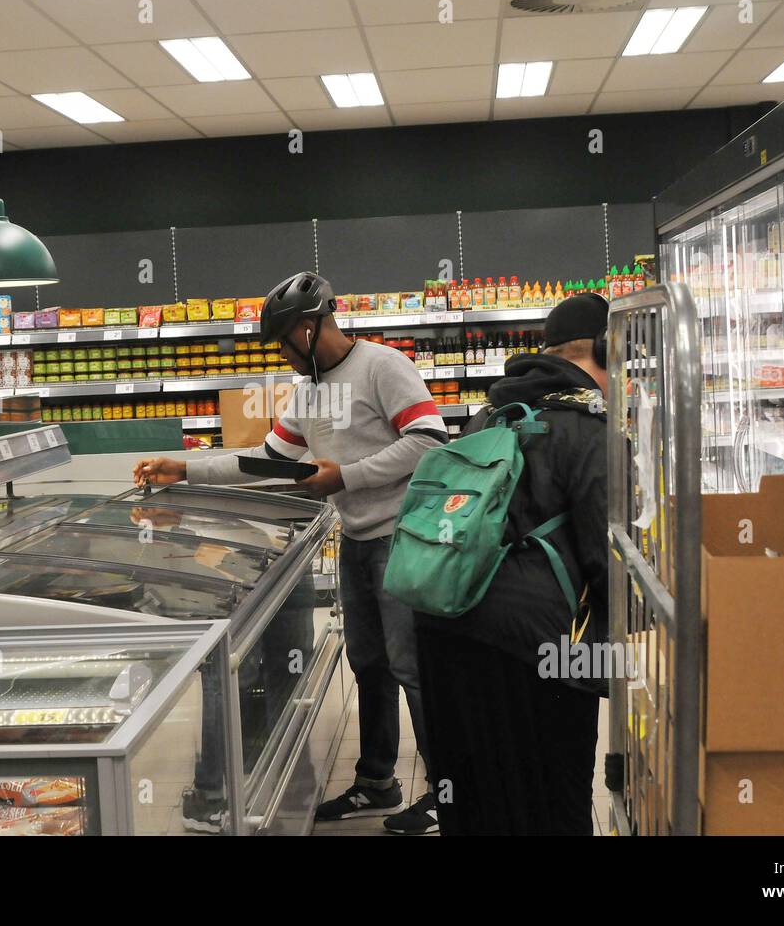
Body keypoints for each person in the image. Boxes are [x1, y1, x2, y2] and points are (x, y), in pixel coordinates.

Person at [134, 271, 447, 835]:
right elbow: (268, 459)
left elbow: (429, 439)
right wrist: (184, 468)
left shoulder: (382, 366)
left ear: (306, 330)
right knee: (370, 665)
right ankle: (378, 781)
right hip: (356, 543)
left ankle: (449, 796)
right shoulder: (307, 392)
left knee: (413, 669)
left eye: (282, 341)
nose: (281, 353)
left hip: (403, 540)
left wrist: (345, 476)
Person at [414, 292, 610, 836]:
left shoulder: (488, 416)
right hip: (538, 649)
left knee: (476, 797)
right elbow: (606, 557)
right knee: (556, 798)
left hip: (445, 624)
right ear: (601, 350)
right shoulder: (589, 428)